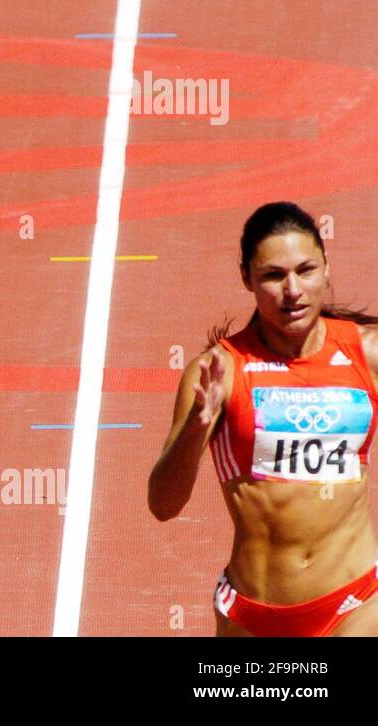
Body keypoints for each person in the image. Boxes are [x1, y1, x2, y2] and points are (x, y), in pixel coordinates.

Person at [149, 201, 378, 636]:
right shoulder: (218, 371)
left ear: (326, 267)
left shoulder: (367, 354)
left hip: (356, 603)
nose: (292, 290)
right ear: (246, 279)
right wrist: (197, 428)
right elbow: (163, 504)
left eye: (305, 270)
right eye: (273, 276)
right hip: (255, 614)